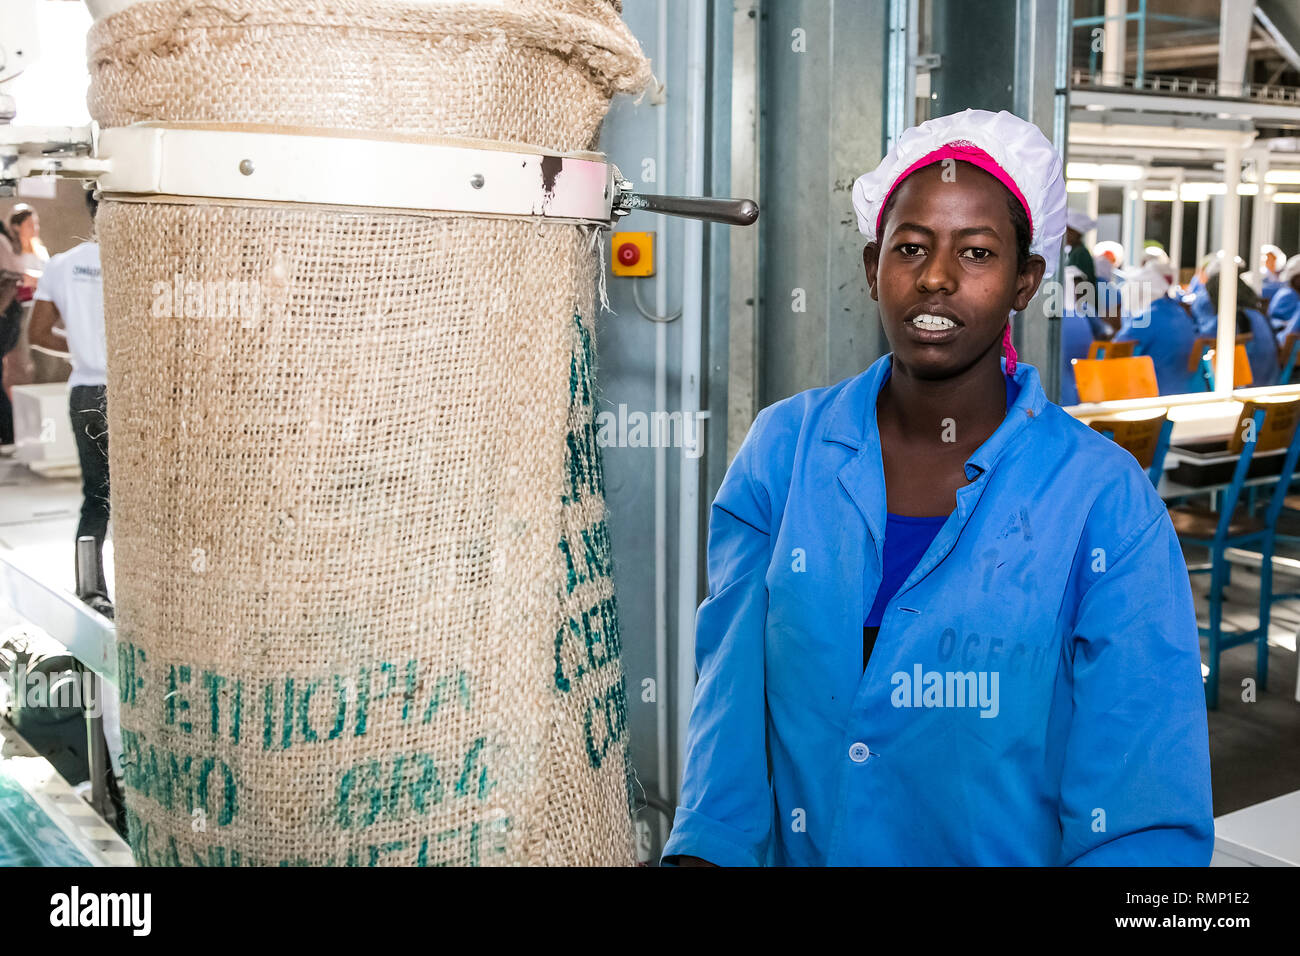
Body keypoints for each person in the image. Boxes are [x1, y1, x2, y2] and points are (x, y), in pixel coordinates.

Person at [661, 109, 1213, 867]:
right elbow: (729, 724)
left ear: (1026, 282)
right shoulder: (783, 453)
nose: (937, 277)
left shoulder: (1102, 504)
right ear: (871, 268)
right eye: (911, 247)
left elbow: (1142, 818)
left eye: (977, 252)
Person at [26, 190, 110, 592]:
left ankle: (90, 589)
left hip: (87, 392)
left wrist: (80, 345)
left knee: (95, 497)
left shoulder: (62, 265)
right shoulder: (145, 258)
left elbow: (38, 332)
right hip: (138, 396)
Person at [1113, 258, 1201, 395]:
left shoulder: (1146, 319)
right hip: (1183, 392)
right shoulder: (1180, 312)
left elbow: (1115, 350)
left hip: (1155, 398)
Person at [1205, 270, 1278, 388]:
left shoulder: (1233, 315)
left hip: (1250, 382)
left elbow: (1207, 340)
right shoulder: (1256, 313)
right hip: (1270, 379)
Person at [9, 204, 49, 304]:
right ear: (16, 227)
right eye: (29, 225)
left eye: (36, 224)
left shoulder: (41, 251)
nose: (35, 228)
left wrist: (34, 278)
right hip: (15, 303)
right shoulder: (9, 252)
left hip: (37, 302)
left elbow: (49, 276)